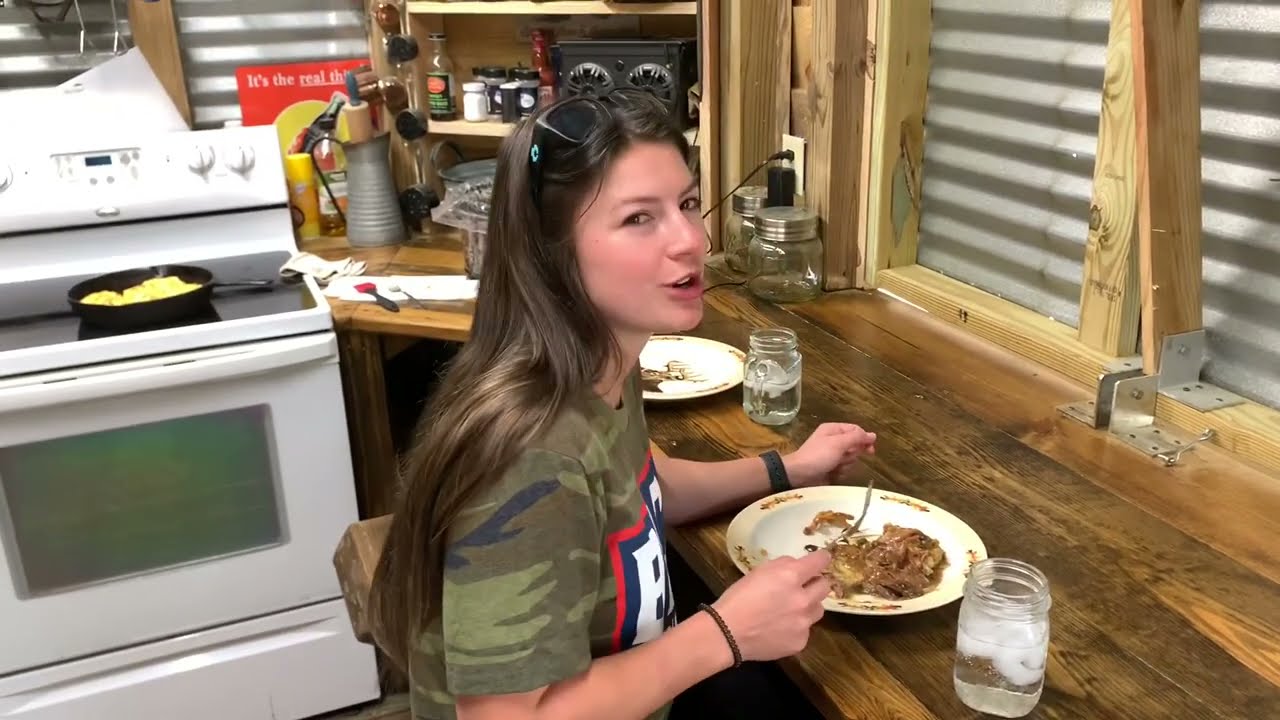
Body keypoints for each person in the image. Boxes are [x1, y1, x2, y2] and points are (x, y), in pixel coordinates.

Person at [369, 89, 878, 720]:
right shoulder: (532, 456)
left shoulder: (604, 361)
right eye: (639, 218)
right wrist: (725, 633)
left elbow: (641, 485)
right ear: (553, 251)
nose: (691, 240)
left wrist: (787, 469)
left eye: (687, 203)